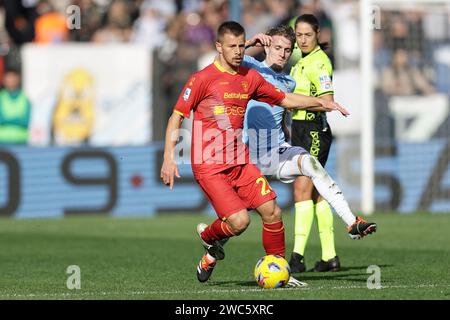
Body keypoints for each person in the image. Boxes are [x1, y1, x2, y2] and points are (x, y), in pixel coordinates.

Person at [160, 21, 349, 287]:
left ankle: (281, 269)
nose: (238, 51)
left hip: (240, 162)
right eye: (232, 46)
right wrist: (169, 157)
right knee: (240, 221)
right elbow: (176, 116)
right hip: (210, 166)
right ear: (219, 47)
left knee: (272, 212)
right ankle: (210, 238)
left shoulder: (250, 78)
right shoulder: (202, 79)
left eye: (241, 45)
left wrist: (322, 103)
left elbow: (285, 99)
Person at [242, 25, 377, 274]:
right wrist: (249, 42)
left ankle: (351, 222)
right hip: (248, 156)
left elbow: (285, 109)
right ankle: (212, 244)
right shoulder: (249, 65)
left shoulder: (289, 81)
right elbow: (218, 61)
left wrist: (324, 105)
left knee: (310, 164)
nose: (282, 54)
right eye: (278, 48)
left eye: (287, 50)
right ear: (267, 46)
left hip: (276, 153)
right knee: (237, 219)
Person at [288, 14, 361, 273]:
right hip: (299, 129)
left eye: (308, 34)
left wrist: (291, 99)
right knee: (317, 192)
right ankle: (330, 257)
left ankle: (296, 257)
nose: (303, 39)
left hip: (313, 131)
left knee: (301, 191)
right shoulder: (301, 62)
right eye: (299, 35)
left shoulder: (319, 63)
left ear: (318, 34)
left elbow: (326, 99)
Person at [0, 68, 31, 144]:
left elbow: (26, 122)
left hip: (21, 141)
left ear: (18, 79)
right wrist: (17, 120)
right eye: (8, 77)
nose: (11, 80)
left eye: (13, 77)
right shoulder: (1, 97)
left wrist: (7, 120)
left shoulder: (25, 99)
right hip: (2, 142)